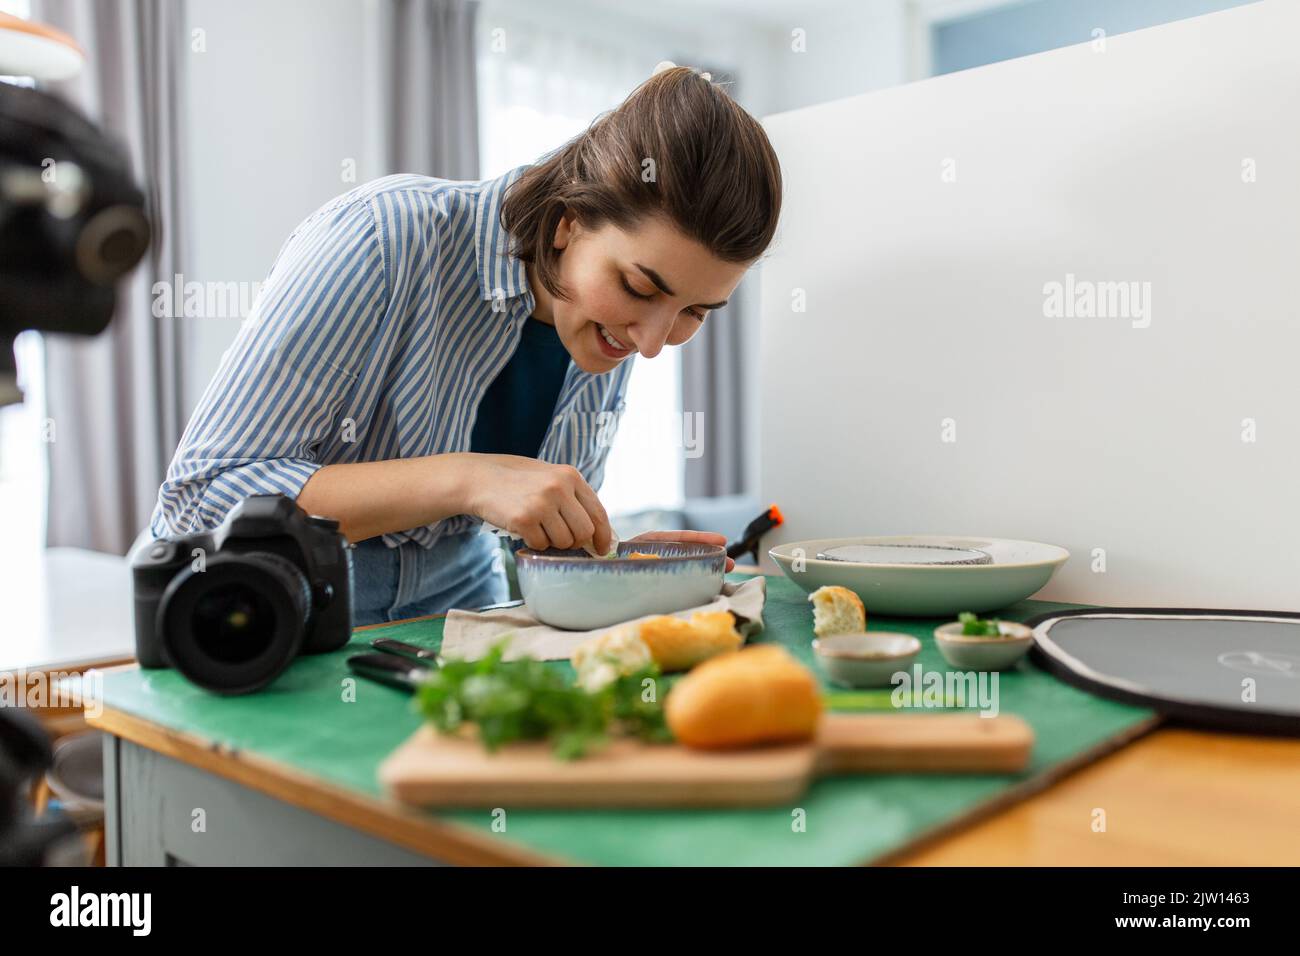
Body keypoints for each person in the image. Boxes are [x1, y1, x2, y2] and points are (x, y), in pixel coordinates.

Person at [150, 64, 783, 626]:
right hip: (273, 601)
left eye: (695, 311)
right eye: (639, 287)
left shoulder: (613, 326)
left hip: (464, 597)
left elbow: (537, 535)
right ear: (567, 224)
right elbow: (202, 499)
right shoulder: (384, 238)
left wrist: (632, 558)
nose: (652, 344)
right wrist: (467, 478)